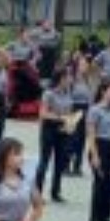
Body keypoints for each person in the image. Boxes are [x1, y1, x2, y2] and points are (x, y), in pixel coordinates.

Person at [34, 66, 76, 203]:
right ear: (61, 79)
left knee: (60, 161)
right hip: (49, 128)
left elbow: (69, 111)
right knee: (44, 162)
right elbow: (43, 113)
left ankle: (55, 191)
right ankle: (37, 192)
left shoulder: (68, 93)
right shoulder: (49, 93)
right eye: (68, 77)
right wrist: (60, 117)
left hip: (63, 129)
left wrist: (71, 121)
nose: (70, 79)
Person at [87, 80, 110, 221]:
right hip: (99, 145)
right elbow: (91, 133)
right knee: (100, 182)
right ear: (103, 92)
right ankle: (95, 217)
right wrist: (95, 155)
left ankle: (105, 216)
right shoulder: (95, 110)